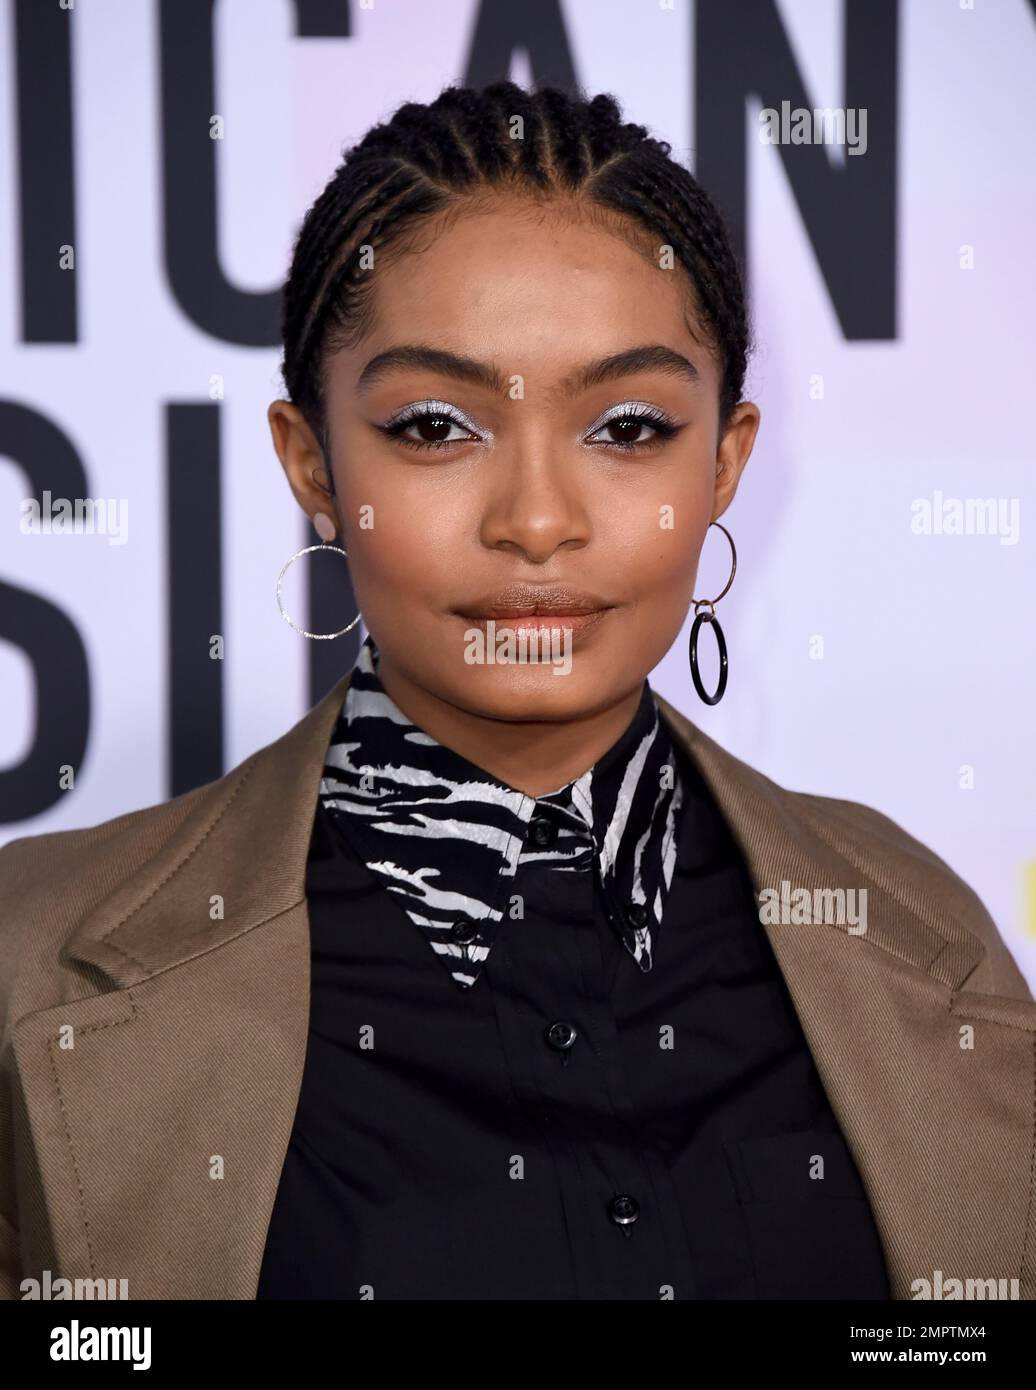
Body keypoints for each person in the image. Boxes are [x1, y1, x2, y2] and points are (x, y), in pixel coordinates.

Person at [1, 81, 1033, 1303]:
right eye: (437, 425)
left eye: (629, 426)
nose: (536, 520)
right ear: (311, 464)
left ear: (724, 462)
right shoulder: (32, 962)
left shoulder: (920, 928)